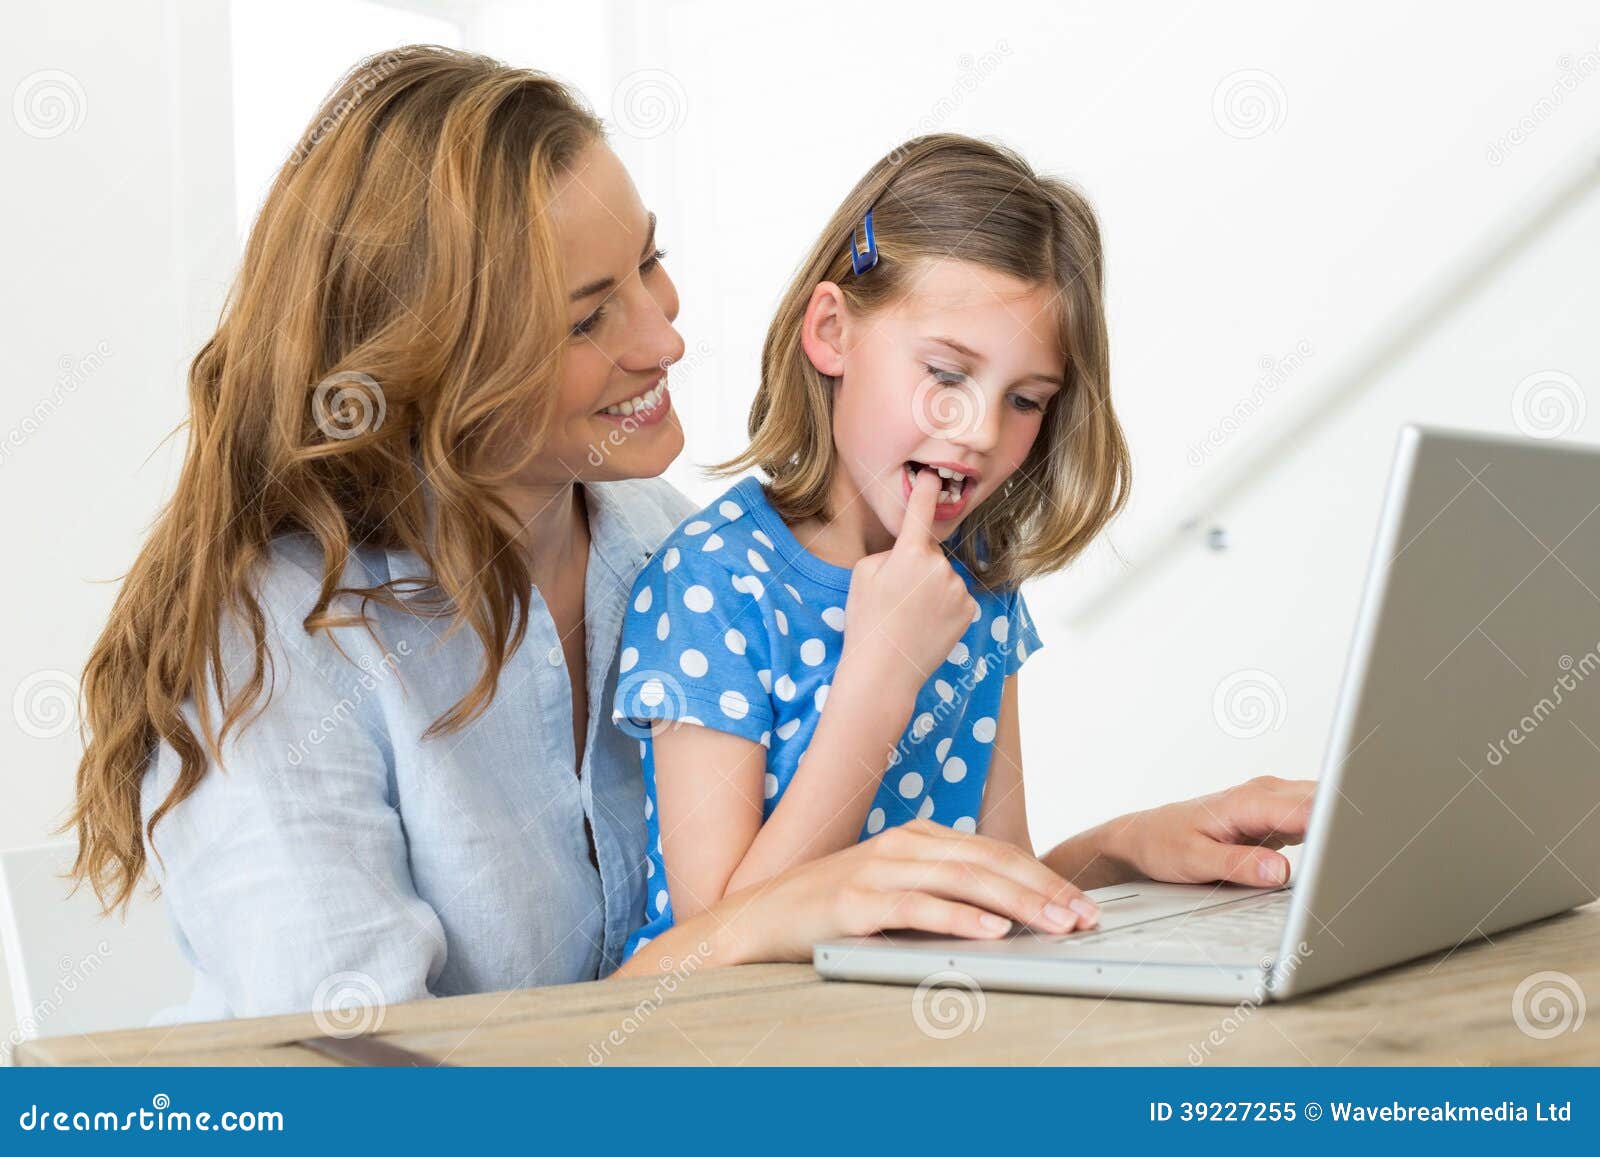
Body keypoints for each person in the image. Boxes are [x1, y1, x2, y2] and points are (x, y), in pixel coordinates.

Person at [64, 47, 1314, 1021]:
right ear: (432, 363)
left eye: (649, 265)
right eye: (587, 318)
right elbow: (370, 1098)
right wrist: (760, 920)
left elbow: (885, 887)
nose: (664, 337)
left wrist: (1113, 859)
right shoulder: (271, 652)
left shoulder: (653, 538)